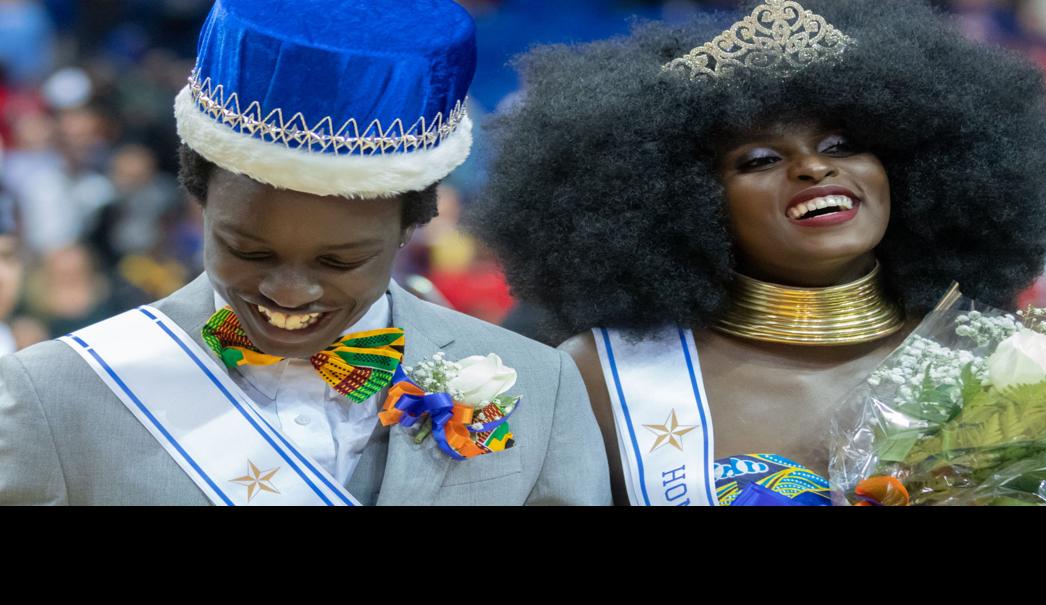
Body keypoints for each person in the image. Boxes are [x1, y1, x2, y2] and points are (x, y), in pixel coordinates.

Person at [0, 0, 610, 505]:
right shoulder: (56, 394)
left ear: (409, 226)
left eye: (338, 262)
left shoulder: (538, 383)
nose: (288, 293)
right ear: (200, 202)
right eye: (248, 250)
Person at [474, 0, 1046, 506]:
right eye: (760, 160)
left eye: (843, 144)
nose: (814, 167)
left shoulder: (996, 357)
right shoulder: (599, 376)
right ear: (683, 203)